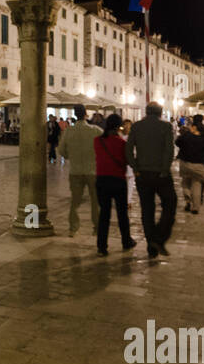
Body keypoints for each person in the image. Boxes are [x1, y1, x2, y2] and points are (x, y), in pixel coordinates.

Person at [126, 102, 176, 258]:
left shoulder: (136, 126)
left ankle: (151, 247)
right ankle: (159, 238)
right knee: (170, 204)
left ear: (146, 112)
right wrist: (165, 169)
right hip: (161, 174)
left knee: (147, 209)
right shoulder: (166, 126)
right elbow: (169, 149)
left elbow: (128, 149)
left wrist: (135, 167)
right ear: (160, 113)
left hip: (143, 174)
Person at [94, 113, 137, 256]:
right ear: (119, 126)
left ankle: (101, 246)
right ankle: (126, 240)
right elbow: (128, 161)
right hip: (118, 180)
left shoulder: (97, 141)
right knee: (122, 214)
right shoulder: (122, 143)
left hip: (101, 180)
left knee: (104, 214)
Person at [60, 104, 100, 237]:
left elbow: (62, 151)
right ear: (86, 115)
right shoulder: (95, 130)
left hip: (75, 171)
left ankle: (73, 228)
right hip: (93, 170)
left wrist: (69, 156)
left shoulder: (69, 131)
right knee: (95, 201)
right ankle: (97, 227)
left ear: (75, 115)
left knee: (75, 201)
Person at [175, 114, 204, 214]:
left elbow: (177, 142)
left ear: (194, 127)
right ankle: (196, 207)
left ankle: (188, 197)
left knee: (185, 182)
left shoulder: (186, 135)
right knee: (197, 184)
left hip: (185, 163)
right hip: (199, 165)